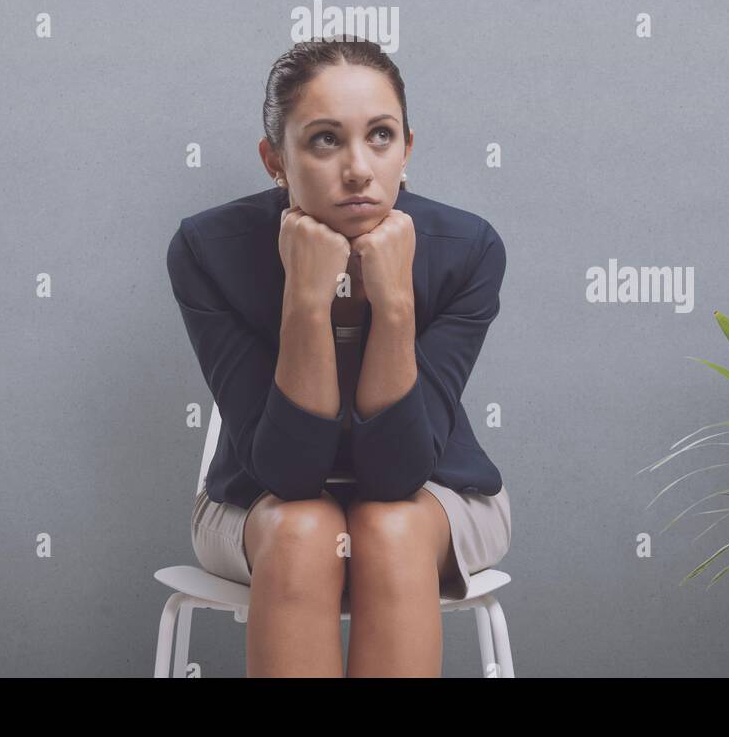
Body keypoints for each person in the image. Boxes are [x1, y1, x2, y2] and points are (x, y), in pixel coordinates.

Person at [166, 37, 511, 677]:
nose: (359, 168)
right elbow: (288, 474)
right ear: (275, 159)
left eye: (380, 136)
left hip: (437, 493)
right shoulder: (208, 249)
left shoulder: (468, 248)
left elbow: (397, 473)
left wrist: (396, 304)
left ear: (407, 147)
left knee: (390, 529)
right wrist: (304, 299)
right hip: (253, 500)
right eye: (325, 140)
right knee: (305, 531)